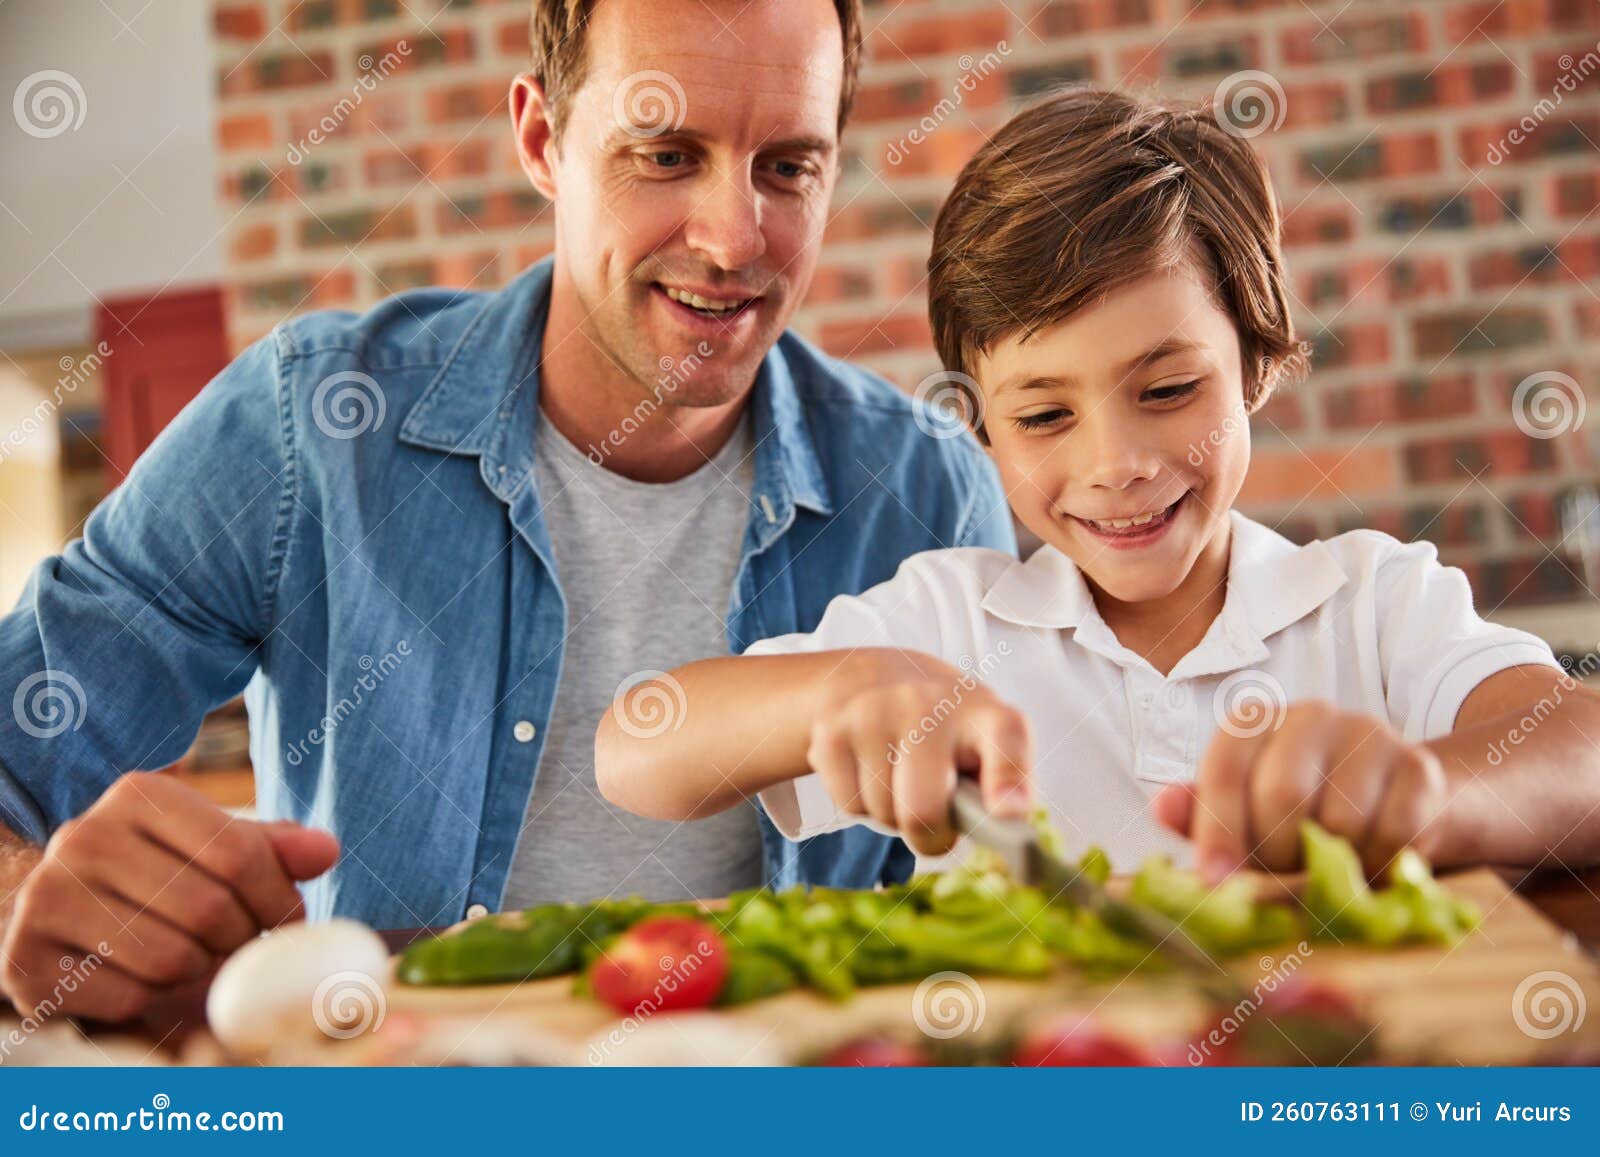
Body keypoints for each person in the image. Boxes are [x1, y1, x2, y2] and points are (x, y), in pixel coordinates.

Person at [0, 0, 1011, 1022]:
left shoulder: (927, 489)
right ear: (541, 140)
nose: (732, 238)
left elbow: (991, 898)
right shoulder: (309, 428)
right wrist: (22, 904)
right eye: (665, 155)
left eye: (787, 167)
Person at [595, 85, 1600, 882]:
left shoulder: (1372, 604)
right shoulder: (953, 625)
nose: (1115, 463)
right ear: (983, 426)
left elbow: (1581, 749)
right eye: (1043, 416)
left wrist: (1421, 795)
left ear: (1255, 363)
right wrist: (829, 691)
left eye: (1166, 389)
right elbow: (636, 749)